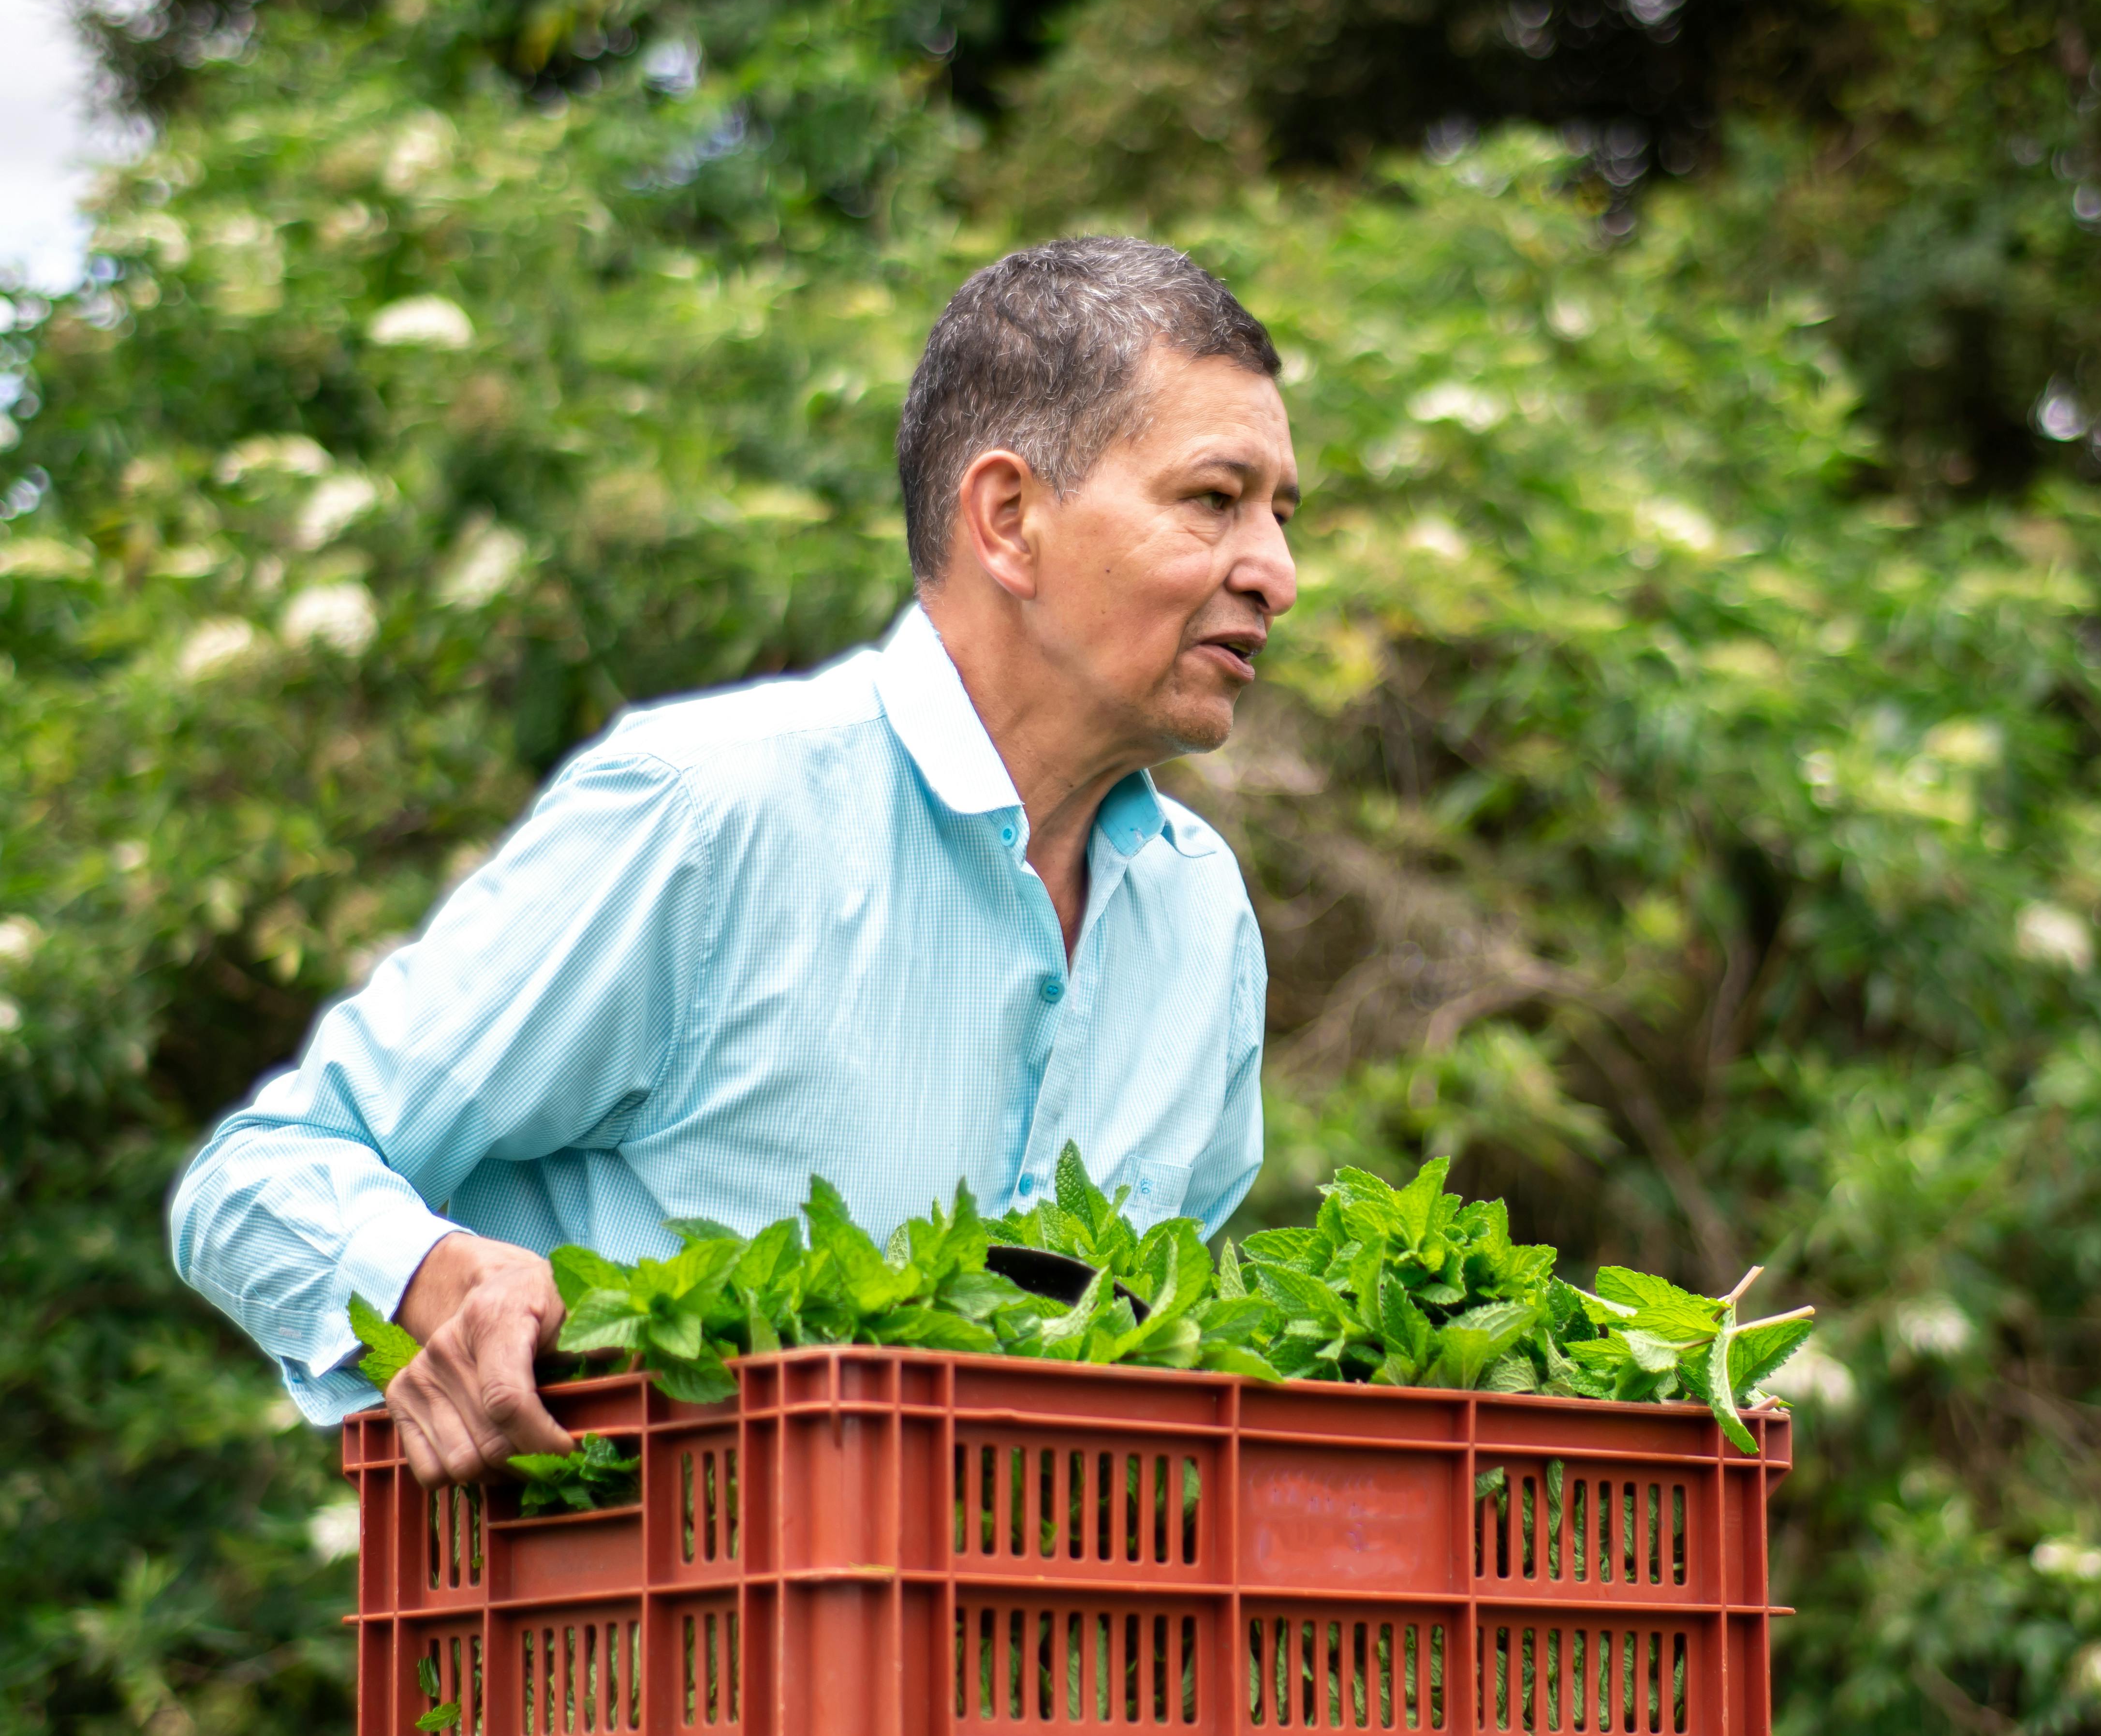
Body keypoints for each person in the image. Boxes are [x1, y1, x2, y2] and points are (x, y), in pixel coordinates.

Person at [169, 237, 1299, 1489]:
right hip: (636, 1659)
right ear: (1010, 520)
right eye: (1215, 500)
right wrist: (440, 1283)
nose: (1277, 575)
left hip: (1018, 1672)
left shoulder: (1202, 922)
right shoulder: (710, 817)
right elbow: (256, 1180)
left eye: (1279, 517)